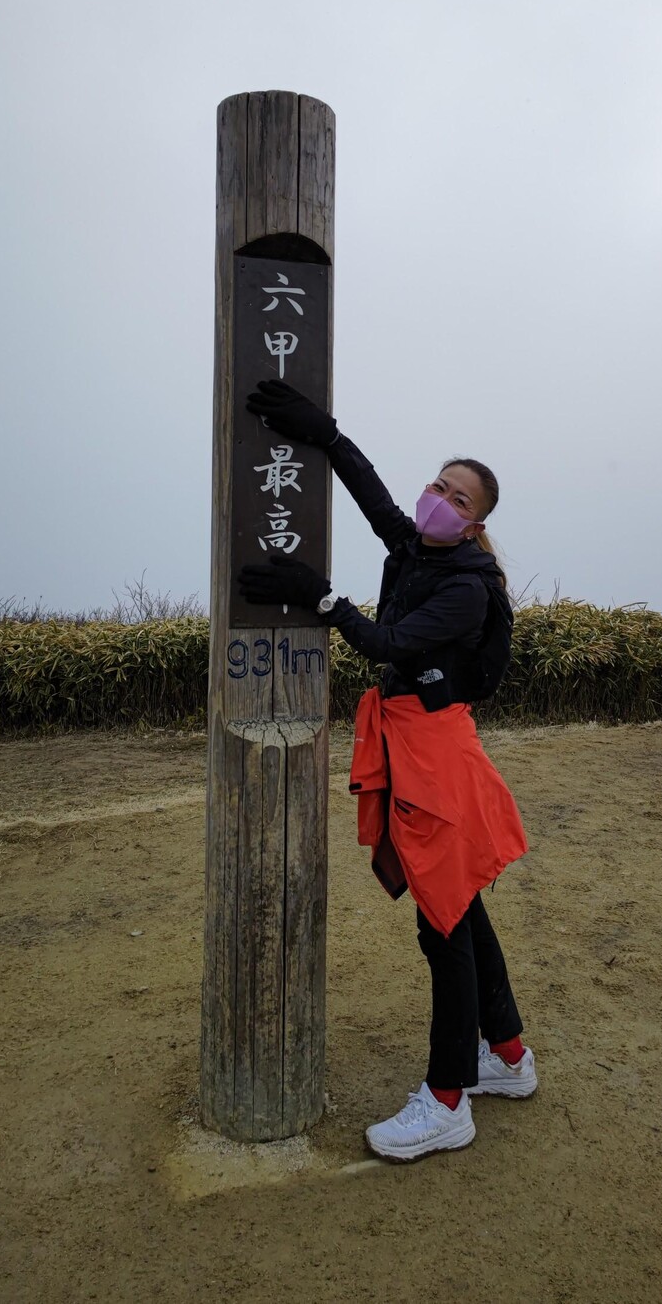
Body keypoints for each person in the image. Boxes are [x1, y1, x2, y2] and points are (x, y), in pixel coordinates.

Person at [237, 379, 537, 1163]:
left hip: (435, 762)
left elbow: (385, 644)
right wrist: (324, 434)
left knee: (443, 926)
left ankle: (446, 1102)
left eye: (457, 495)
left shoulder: (468, 588)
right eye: (438, 484)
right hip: (424, 744)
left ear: (476, 521)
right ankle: (507, 1058)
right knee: (462, 908)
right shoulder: (415, 548)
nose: (439, 498)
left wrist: (318, 595)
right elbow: (370, 492)